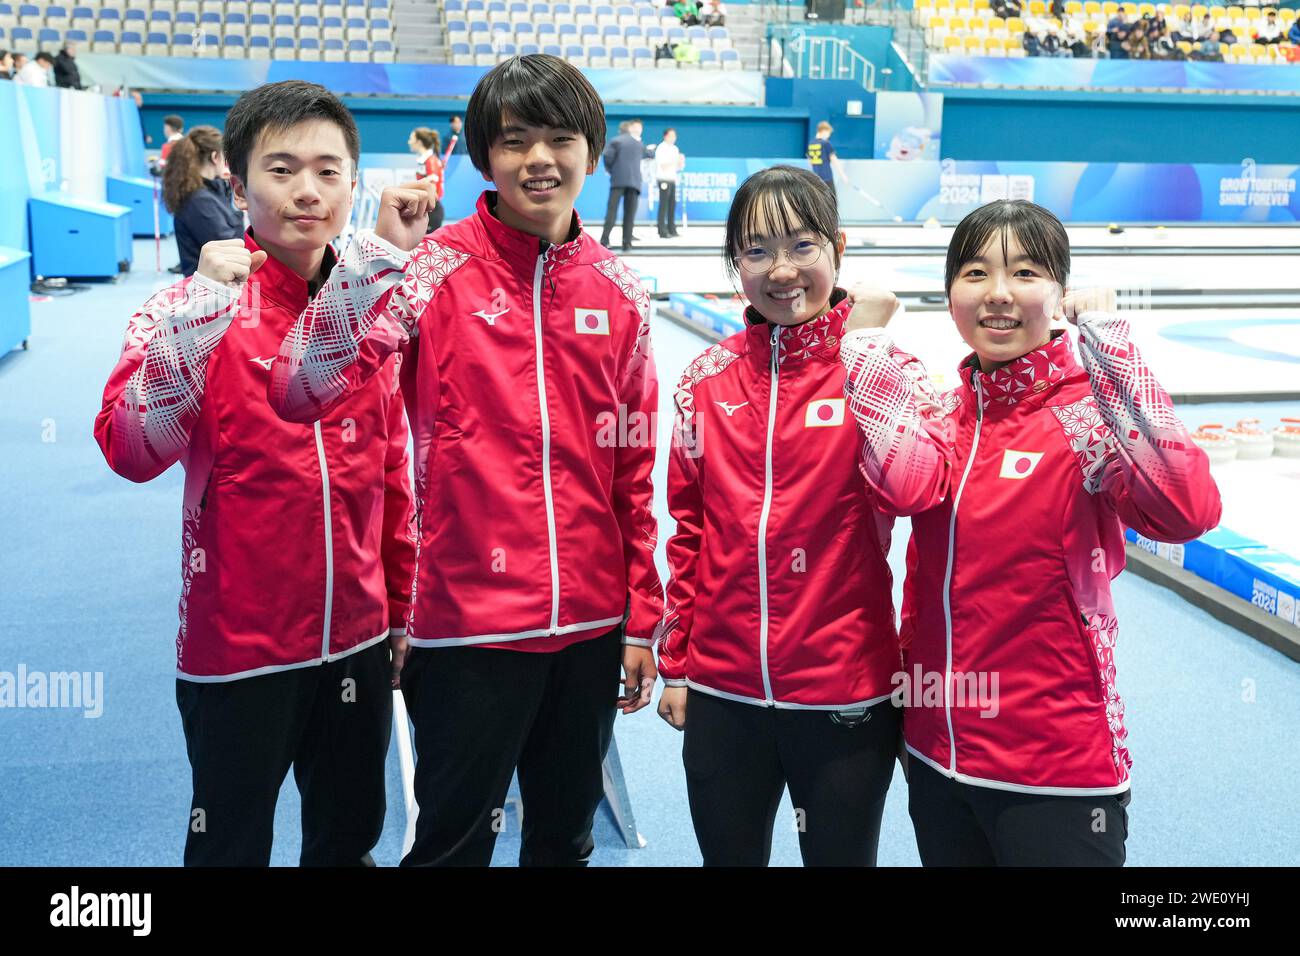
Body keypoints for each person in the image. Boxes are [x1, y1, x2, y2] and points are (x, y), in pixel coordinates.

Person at [270, 53, 664, 868]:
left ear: (591, 150)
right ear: (484, 156)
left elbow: (633, 472)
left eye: (561, 139)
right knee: (451, 845)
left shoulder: (621, 290)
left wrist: (643, 619)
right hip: (466, 628)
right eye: (516, 141)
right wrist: (378, 255)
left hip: (590, 627)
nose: (540, 160)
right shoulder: (430, 268)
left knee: (564, 842)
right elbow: (302, 388)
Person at [840, 199, 1221, 865]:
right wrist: (866, 346)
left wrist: (1114, 348)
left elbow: (1185, 510)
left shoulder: (1088, 418)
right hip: (936, 751)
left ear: (1061, 292)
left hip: (1057, 766)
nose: (999, 296)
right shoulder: (940, 416)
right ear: (950, 291)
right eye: (976, 274)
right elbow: (900, 490)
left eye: (1025, 273)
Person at [94, 80, 416, 867]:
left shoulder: (376, 305)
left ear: (353, 183)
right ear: (237, 183)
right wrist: (200, 318)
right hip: (238, 648)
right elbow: (133, 450)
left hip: (358, 641)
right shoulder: (184, 307)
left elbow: (394, 471)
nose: (307, 191)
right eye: (281, 169)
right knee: (227, 847)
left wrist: (401, 607)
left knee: (347, 842)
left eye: (328, 170)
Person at [656, 165, 903, 867]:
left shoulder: (882, 371)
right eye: (757, 251)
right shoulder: (704, 380)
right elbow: (690, 532)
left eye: (801, 246)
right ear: (736, 263)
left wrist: (867, 351)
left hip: (844, 691)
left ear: (839, 248)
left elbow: (912, 493)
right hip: (722, 688)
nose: (782, 270)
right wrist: (678, 664)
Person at [162, 125, 244, 277]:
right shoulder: (199, 201)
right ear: (214, 157)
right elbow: (231, 248)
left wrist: (224, 187)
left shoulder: (206, 193)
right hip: (212, 289)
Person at [600, 118, 652, 252]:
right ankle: (627, 243)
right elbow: (649, 154)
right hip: (635, 182)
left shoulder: (616, 141)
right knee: (630, 214)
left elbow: (607, 157)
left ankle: (605, 240)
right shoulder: (638, 144)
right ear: (630, 130)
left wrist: (612, 170)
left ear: (620, 130)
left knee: (612, 211)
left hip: (618, 180)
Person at [408, 126, 446, 233]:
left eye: (411, 139)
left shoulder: (431, 161)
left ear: (419, 142)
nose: (409, 142)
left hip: (432, 211)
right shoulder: (426, 160)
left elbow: (432, 188)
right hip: (426, 209)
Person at [654, 127, 684, 239]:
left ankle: (672, 228)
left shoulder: (675, 149)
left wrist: (680, 162)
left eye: (674, 136)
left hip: (672, 179)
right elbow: (662, 164)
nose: (673, 138)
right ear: (665, 136)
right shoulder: (661, 148)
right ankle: (662, 230)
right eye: (671, 136)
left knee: (672, 205)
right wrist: (675, 160)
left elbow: (677, 166)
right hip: (663, 179)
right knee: (664, 205)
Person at [806, 120, 845, 202]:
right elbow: (834, 160)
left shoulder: (811, 144)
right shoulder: (826, 144)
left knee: (819, 202)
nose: (828, 136)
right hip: (827, 178)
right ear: (824, 131)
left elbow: (810, 161)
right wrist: (843, 175)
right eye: (828, 133)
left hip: (816, 179)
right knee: (832, 202)